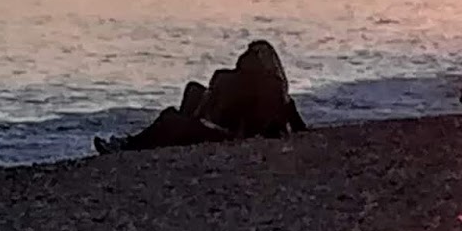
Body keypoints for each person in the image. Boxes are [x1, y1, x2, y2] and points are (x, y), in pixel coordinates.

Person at [95, 39, 306, 154]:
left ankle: (129, 146)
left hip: (225, 134)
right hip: (227, 130)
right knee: (192, 91)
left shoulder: (239, 82)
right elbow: (296, 124)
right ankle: (134, 142)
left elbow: (227, 111)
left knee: (170, 118)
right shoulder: (277, 90)